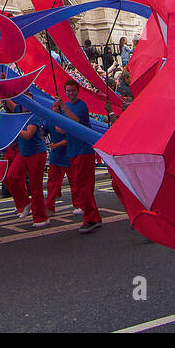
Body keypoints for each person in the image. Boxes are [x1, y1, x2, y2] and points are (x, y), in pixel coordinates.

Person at [57, 80, 102, 234]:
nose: (70, 93)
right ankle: (94, 216)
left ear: (78, 91)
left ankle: (90, 218)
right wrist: (56, 115)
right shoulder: (66, 107)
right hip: (72, 149)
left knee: (84, 186)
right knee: (79, 185)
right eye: (68, 91)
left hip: (84, 150)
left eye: (73, 91)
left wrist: (62, 108)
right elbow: (61, 129)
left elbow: (75, 121)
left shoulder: (81, 106)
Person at [5, 104, 49, 227]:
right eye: (24, 103)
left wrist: (15, 128)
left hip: (37, 154)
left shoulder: (34, 116)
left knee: (36, 187)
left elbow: (28, 135)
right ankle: (25, 203)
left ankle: (41, 218)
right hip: (23, 153)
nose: (26, 106)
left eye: (29, 103)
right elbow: (7, 99)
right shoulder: (19, 110)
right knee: (11, 177)